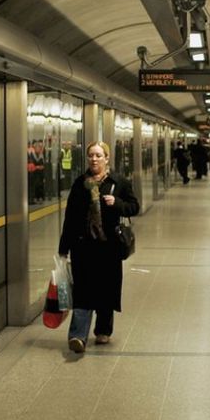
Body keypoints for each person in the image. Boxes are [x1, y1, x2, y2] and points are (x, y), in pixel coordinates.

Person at [58, 141, 140, 354]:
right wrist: (63, 248)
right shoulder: (80, 183)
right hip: (83, 247)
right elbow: (71, 218)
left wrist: (118, 204)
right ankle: (78, 336)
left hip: (108, 247)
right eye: (91, 156)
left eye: (98, 155)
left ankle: (103, 329)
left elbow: (134, 207)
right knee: (83, 291)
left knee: (106, 289)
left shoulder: (118, 182)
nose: (94, 159)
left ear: (107, 158)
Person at [28, 139, 45, 204]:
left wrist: (41, 167)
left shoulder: (41, 155)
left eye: (39, 147)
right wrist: (37, 167)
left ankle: (39, 197)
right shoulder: (31, 154)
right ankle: (33, 198)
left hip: (40, 174)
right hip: (33, 173)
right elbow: (31, 164)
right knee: (33, 186)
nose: (38, 148)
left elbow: (43, 164)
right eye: (36, 147)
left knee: (39, 185)